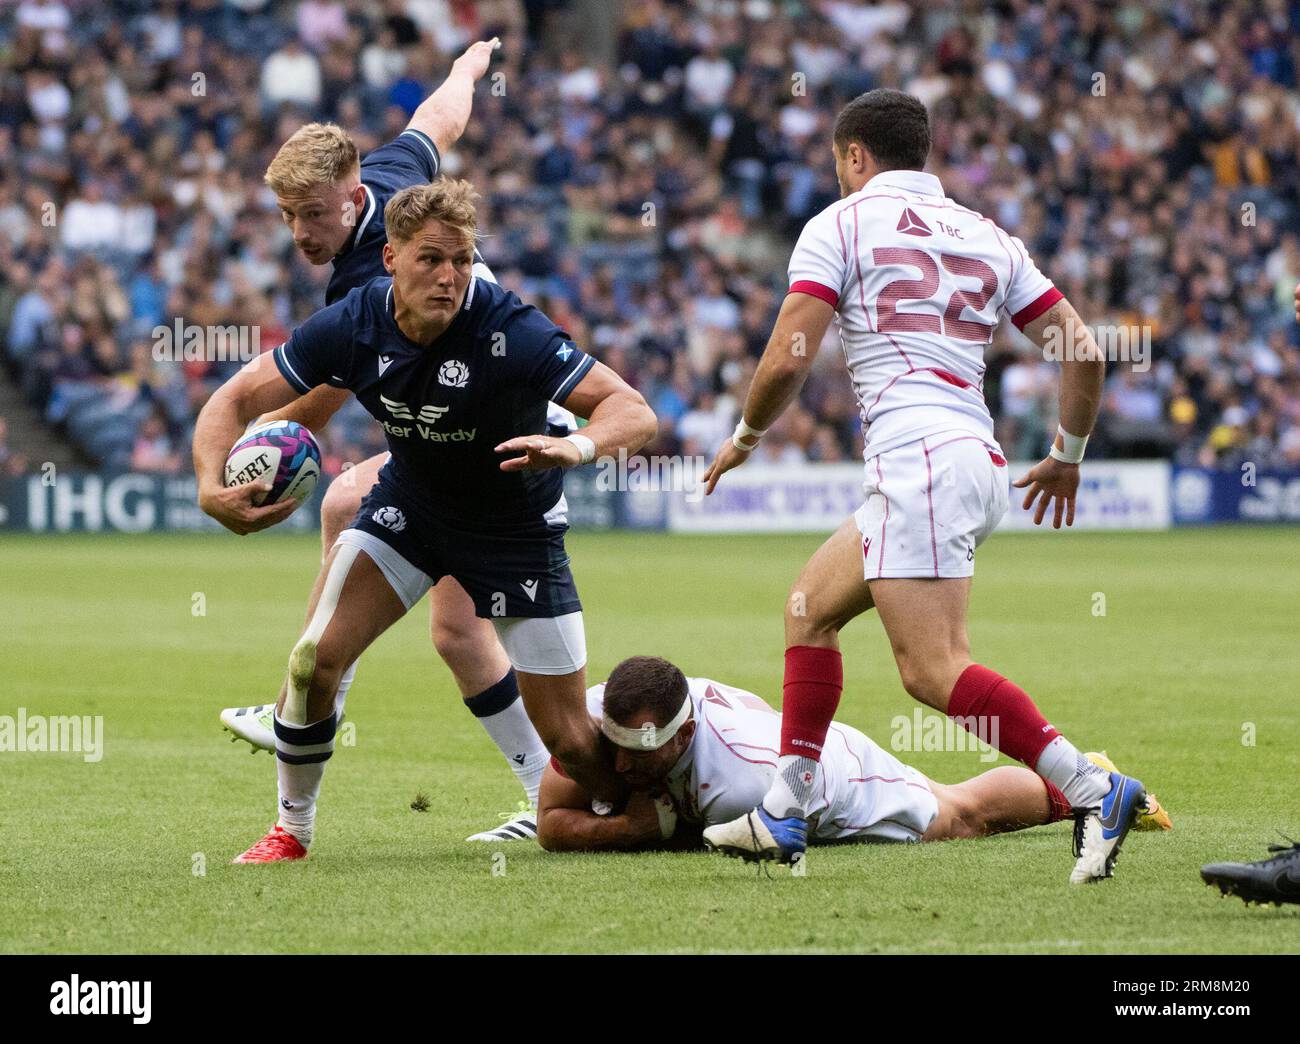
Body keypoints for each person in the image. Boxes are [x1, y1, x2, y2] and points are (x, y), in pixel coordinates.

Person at [700, 89, 1153, 884]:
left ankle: (1094, 788)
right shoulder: (988, 235)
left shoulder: (840, 224)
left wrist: (746, 436)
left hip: (920, 461)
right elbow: (1083, 350)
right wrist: (1068, 454)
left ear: (854, 155)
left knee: (932, 671)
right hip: (964, 456)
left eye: (839, 162)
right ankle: (784, 810)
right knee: (808, 610)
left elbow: (788, 355)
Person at [193, 179, 657, 862]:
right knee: (314, 661)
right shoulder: (354, 323)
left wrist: (577, 445)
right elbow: (231, 399)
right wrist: (210, 488)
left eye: (462, 260)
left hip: (512, 530)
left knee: (570, 741)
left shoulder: (509, 327)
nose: (450, 277)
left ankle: (660, 808)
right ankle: (292, 830)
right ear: (390, 258)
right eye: (431, 259)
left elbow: (634, 411)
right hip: (411, 508)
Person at [217, 39, 561, 843]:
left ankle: (306, 699)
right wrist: (468, 68)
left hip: (500, 430)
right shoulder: (393, 177)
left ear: (349, 196)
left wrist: (270, 434)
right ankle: (547, 795)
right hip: (471, 426)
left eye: (311, 214)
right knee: (457, 633)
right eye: (286, 215)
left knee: (345, 499)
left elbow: (335, 385)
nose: (298, 232)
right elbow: (439, 119)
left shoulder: (375, 278)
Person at [536, 655, 1099, 854]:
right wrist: (622, 827)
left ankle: (1086, 786)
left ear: (683, 736)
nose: (620, 766)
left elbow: (682, 840)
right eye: (617, 745)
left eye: (643, 752)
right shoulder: (595, 722)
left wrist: (633, 831)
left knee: (960, 815)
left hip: (838, 777)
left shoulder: (738, 786)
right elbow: (549, 822)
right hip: (775, 737)